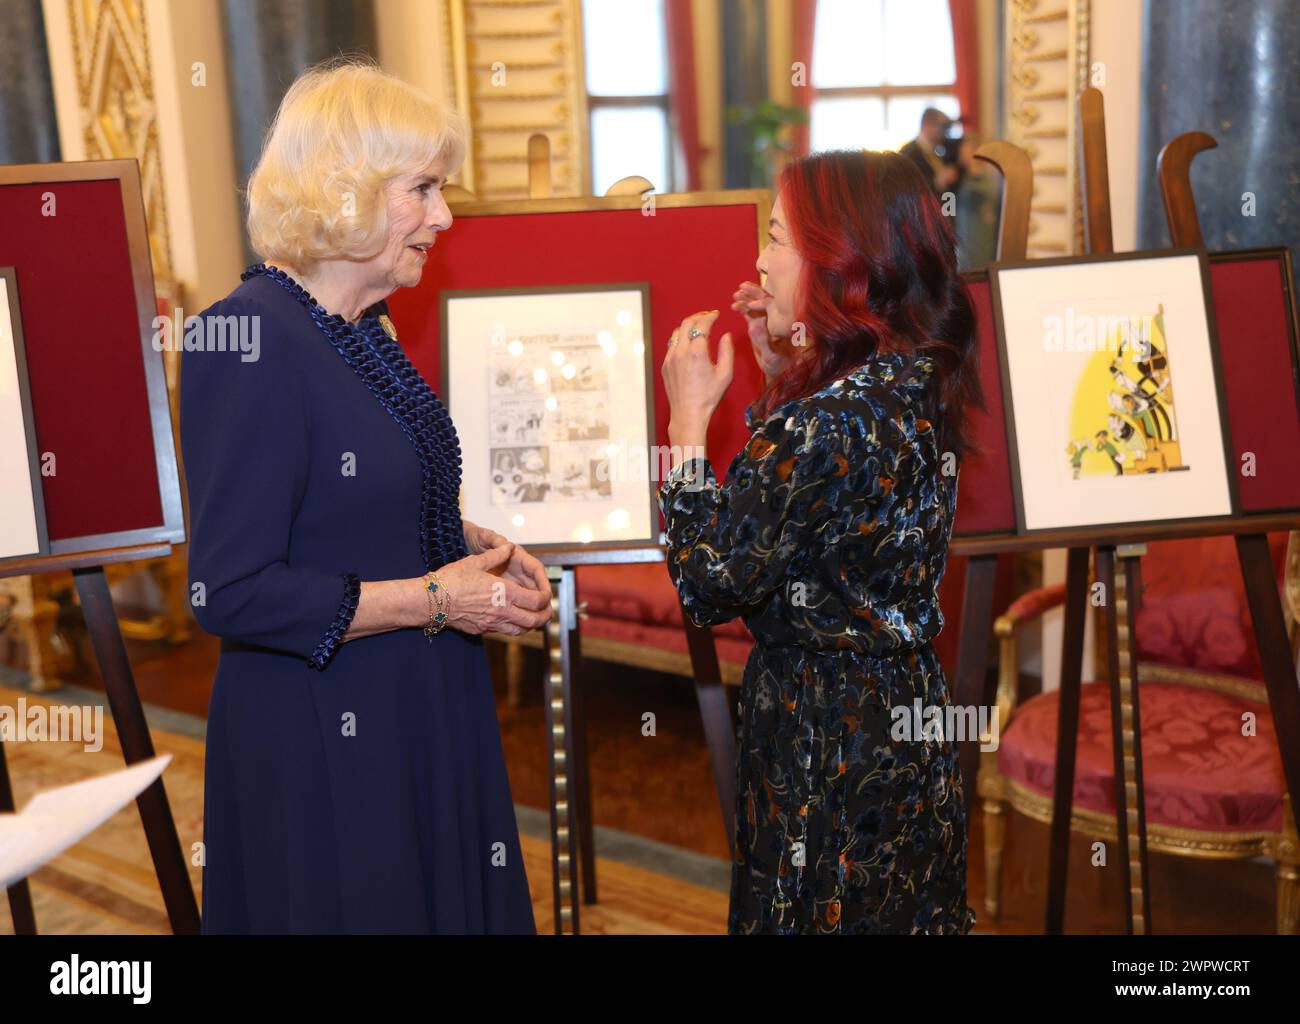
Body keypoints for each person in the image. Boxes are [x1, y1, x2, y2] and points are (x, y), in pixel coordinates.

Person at [181, 59, 551, 933]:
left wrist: (474, 549)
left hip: (418, 698)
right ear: (345, 187)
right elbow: (229, 589)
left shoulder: (359, 327)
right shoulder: (247, 336)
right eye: (422, 188)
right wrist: (438, 597)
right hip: (325, 729)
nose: (445, 216)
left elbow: (360, 501)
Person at [658, 149, 982, 934]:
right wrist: (786, 369)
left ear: (839, 260)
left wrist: (686, 425)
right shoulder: (908, 377)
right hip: (902, 713)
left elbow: (710, 583)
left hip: (823, 733)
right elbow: (813, 521)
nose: (759, 262)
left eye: (775, 238)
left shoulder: (826, 422)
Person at [899, 107, 962, 195]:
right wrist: (937, 182)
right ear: (927, 125)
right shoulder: (908, 153)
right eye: (942, 126)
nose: (945, 132)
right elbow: (906, 187)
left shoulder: (937, 151)